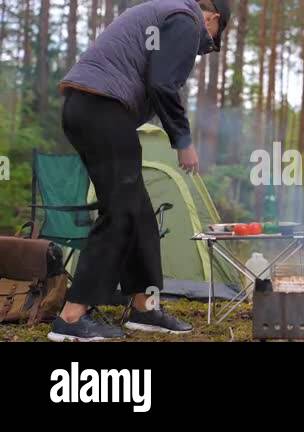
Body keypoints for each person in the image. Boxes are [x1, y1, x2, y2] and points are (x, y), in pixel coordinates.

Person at [47, 0, 232, 342]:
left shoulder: (166, 13)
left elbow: (150, 77)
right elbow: (163, 83)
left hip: (89, 107)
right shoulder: (186, 19)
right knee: (120, 213)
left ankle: (144, 307)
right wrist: (182, 140)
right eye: (211, 41)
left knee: (139, 211)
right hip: (102, 107)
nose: (203, 49)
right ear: (213, 18)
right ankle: (71, 317)